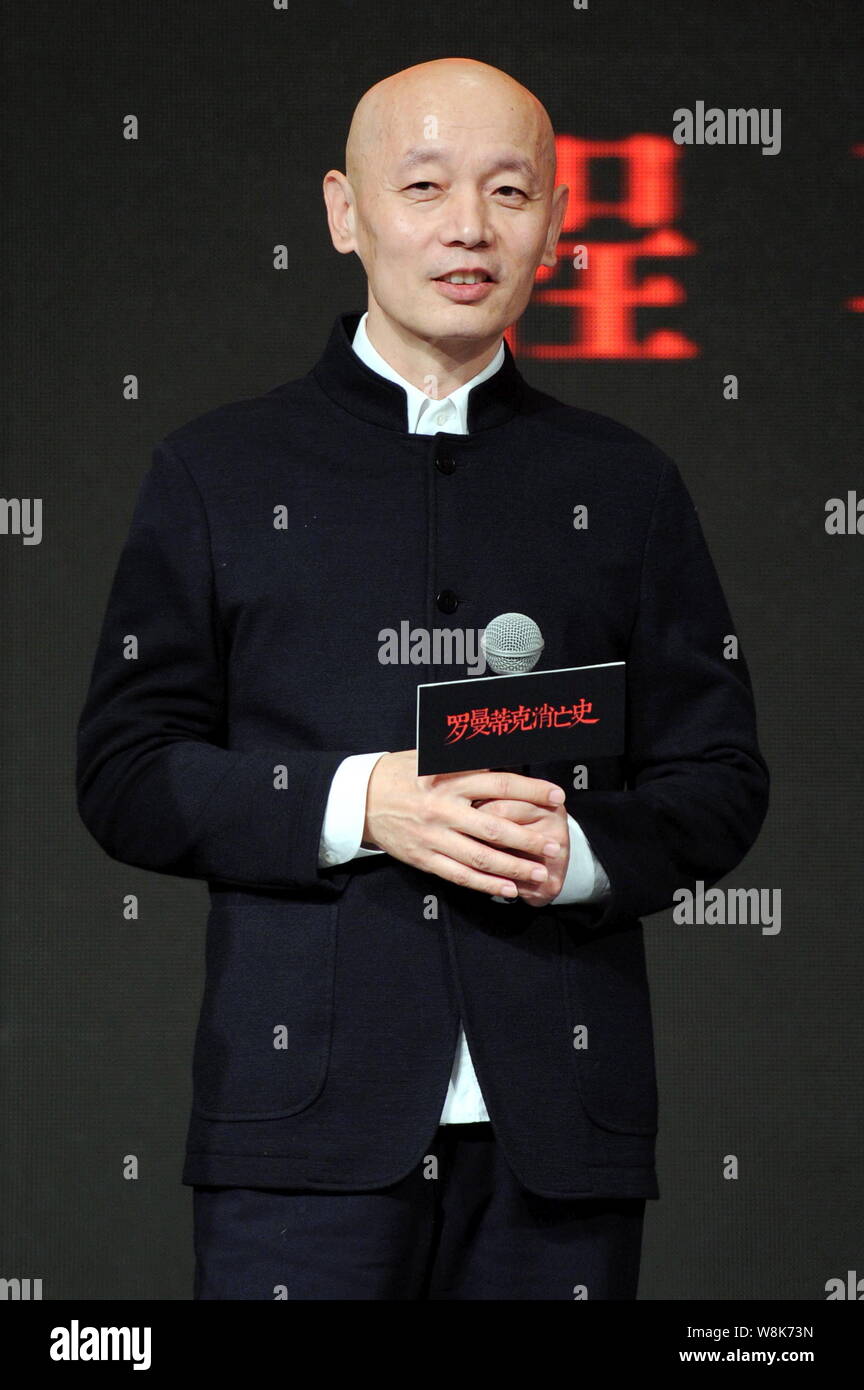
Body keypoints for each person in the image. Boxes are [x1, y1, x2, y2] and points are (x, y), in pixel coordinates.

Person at [76, 57, 769, 1300]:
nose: (469, 225)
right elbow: (126, 773)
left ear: (556, 225)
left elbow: (719, 778)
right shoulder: (216, 472)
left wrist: (588, 853)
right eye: (426, 185)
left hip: (561, 1142)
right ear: (345, 212)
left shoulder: (626, 485)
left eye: (511, 192)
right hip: (300, 1142)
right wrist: (360, 804)